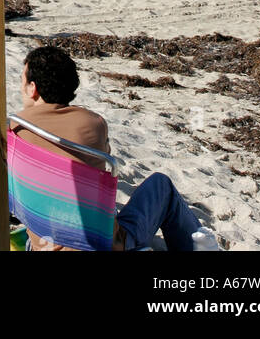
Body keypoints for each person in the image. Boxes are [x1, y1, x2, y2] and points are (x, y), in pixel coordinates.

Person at [12, 46, 217, 251]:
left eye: (22, 83)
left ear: (33, 88)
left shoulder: (14, 128)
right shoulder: (93, 124)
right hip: (103, 245)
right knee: (161, 185)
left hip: (42, 246)